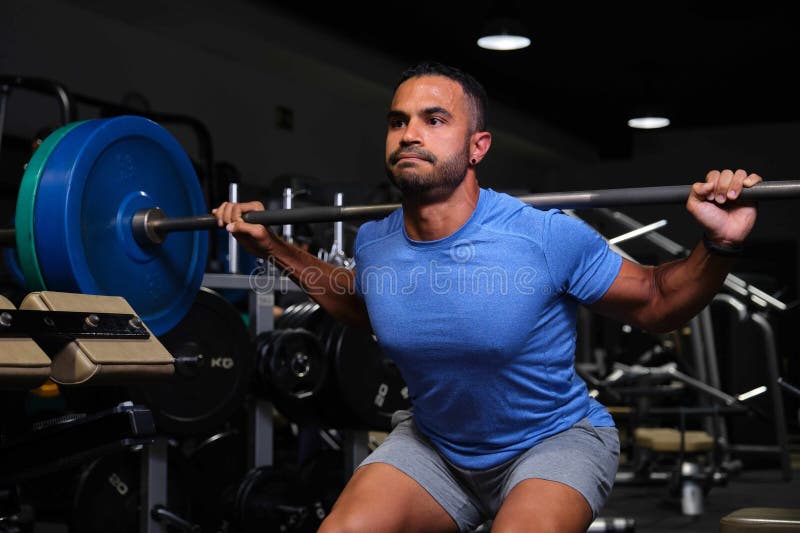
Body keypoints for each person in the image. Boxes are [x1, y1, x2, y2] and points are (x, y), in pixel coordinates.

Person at [213, 61, 762, 533]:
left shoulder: (542, 236)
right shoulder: (377, 243)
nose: (409, 133)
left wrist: (718, 243)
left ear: (478, 147)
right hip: (436, 449)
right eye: (398, 120)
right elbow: (361, 305)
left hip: (551, 443)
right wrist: (275, 249)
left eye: (434, 119)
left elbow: (658, 299)